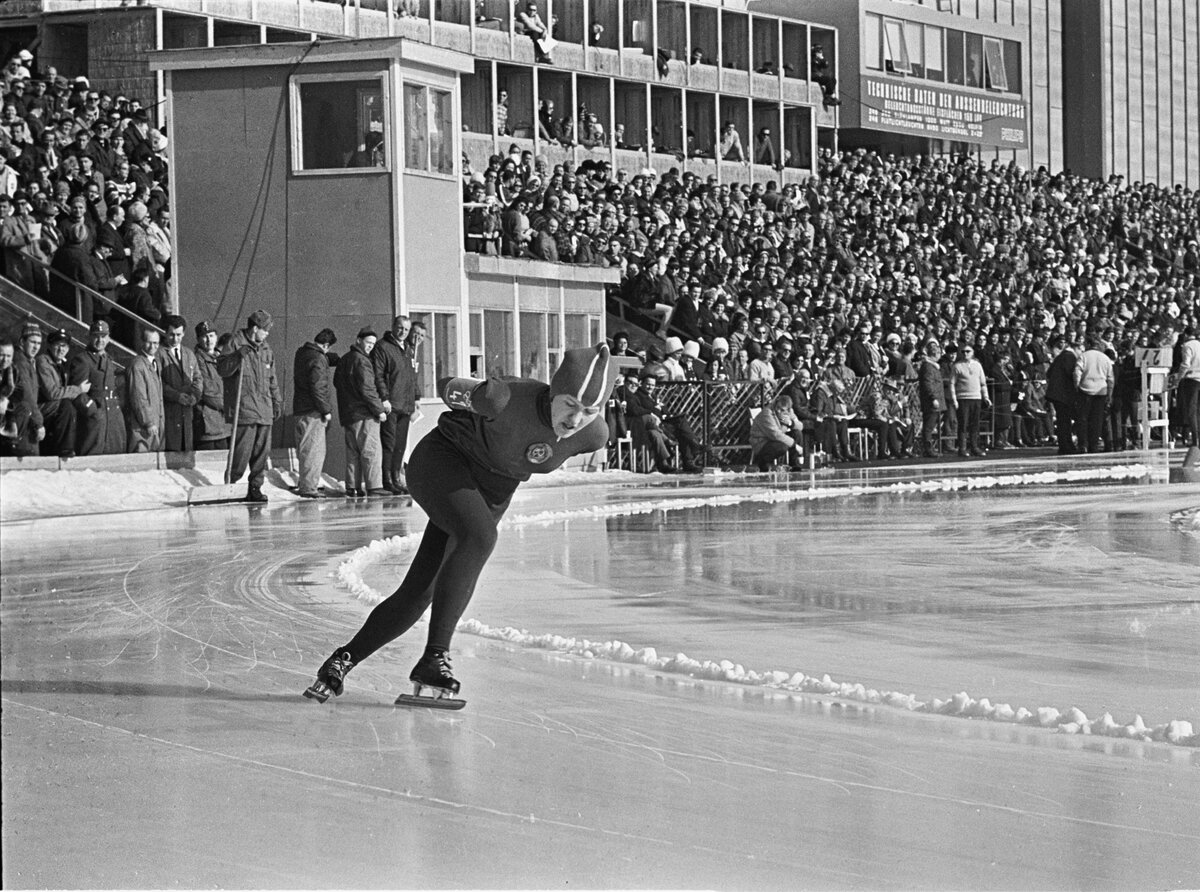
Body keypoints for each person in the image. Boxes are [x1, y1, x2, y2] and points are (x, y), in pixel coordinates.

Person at [303, 343, 616, 706]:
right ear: (554, 392)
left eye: (589, 410)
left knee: (422, 591)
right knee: (480, 537)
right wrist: (476, 394)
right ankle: (435, 657)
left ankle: (341, 662)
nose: (576, 419)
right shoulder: (506, 398)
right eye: (570, 405)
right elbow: (445, 385)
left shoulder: (593, 435)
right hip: (443, 463)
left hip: (487, 494)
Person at [216, 309, 282, 503]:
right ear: (255, 328)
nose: (267, 334)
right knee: (241, 451)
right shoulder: (235, 343)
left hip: (264, 408)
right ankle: (232, 484)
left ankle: (255, 486)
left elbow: (272, 379)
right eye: (265, 330)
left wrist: (276, 400)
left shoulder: (266, 349)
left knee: (262, 452)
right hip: (244, 408)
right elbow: (222, 369)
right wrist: (237, 356)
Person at [333, 327, 389, 498]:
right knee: (371, 451)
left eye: (373, 343)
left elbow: (337, 383)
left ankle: (352, 487)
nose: (370, 346)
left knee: (353, 453)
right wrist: (379, 410)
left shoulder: (344, 360)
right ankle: (374, 487)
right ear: (358, 340)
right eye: (368, 342)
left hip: (348, 414)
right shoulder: (362, 361)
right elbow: (368, 389)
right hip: (364, 414)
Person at [373, 315, 420, 495]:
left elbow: (411, 376)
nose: (403, 332)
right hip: (392, 404)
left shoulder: (407, 348)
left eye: (406, 330)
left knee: (400, 445)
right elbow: (379, 375)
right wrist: (384, 398)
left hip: (406, 405)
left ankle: (396, 478)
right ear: (393, 327)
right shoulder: (383, 347)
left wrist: (416, 397)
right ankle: (387, 480)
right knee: (389, 444)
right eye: (400, 328)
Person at [69, 319, 125, 455]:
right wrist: (93, 411)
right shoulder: (82, 360)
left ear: (109, 338)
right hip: (95, 419)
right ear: (89, 337)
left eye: (103, 336)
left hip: (113, 418)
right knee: (92, 457)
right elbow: (77, 392)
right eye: (96, 336)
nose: (100, 340)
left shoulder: (109, 360)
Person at [292, 328, 337, 498]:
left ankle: (305, 483)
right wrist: (326, 410)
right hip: (313, 411)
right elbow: (318, 387)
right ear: (326, 345)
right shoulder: (318, 359)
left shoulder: (302, 353)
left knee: (305, 449)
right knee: (314, 450)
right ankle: (309, 487)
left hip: (300, 408)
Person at [36, 328, 88, 458]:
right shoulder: (43, 361)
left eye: (64, 346)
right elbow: (52, 393)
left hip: (52, 410)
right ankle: (65, 449)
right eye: (57, 345)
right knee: (66, 404)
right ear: (49, 345)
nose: (61, 350)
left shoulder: (61, 364)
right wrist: (78, 389)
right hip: (42, 409)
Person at [157, 315, 202, 452]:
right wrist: (176, 396)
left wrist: (195, 395)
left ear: (183, 334)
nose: (175, 339)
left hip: (187, 411)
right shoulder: (159, 354)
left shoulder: (189, 354)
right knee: (172, 448)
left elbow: (197, 378)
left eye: (178, 335)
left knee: (187, 448)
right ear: (165, 333)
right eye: (171, 335)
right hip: (170, 411)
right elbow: (158, 382)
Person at [1073, 332, 1114, 454]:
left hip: (1085, 391)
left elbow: (1076, 373)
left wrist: (1077, 386)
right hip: (1101, 392)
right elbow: (1111, 379)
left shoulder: (1083, 356)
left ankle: (1083, 445)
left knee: (1083, 419)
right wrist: (1109, 394)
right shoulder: (1105, 358)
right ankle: (1094, 445)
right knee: (1097, 420)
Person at [125, 327, 164, 453]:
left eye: (156, 343)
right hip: (142, 428)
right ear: (142, 342)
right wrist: (148, 422)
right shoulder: (137, 365)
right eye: (149, 342)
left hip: (155, 425)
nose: (152, 346)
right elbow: (138, 396)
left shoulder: (155, 363)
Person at [192, 321, 230, 450]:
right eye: (205, 336)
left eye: (212, 335)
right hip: (207, 423)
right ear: (198, 339)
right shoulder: (197, 359)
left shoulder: (219, 358)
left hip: (223, 424)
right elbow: (207, 392)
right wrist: (229, 406)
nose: (209, 340)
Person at [950, 342, 990, 457]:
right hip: (963, 398)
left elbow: (983, 383)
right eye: (963, 352)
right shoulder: (957, 366)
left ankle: (974, 446)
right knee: (963, 424)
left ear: (972, 353)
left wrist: (986, 397)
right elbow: (952, 383)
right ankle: (962, 448)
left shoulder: (978, 365)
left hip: (976, 398)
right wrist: (954, 399)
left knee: (975, 424)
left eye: (968, 351)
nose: (965, 354)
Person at [749, 392, 804, 471]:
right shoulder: (767, 413)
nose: (778, 411)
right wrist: (794, 445)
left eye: (782, 410)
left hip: (775, 438)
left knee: (797, 433)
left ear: (788, 409)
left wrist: (790, 423)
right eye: (777, 407)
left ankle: (794, 464)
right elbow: (775, 434)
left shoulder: (789, 412)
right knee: (782, 446)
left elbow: (800, 426)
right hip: (762, 442)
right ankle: (762, 462)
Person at [1045, 335, 1079, 455]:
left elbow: (1048, 373)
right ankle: (1066, 445)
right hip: (1063, 394)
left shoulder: (1060, 357)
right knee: (1064, 421)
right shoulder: (1069, 357)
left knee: (1062, 420)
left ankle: (1065, 444)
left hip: (1057, 394)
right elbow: (1072, 375)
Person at [1171, 326, 1200, 467]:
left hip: (1191, 380)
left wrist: (1178, 378)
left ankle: (1195, 439)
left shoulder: (1187, 346)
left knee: (1191, 411)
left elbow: (1185, 364)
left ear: (1187, 335)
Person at [917, 340, 944, 457]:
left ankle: (930, 448)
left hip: (935, 400)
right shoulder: (928, 367)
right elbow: (928, 384)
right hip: (931, 402)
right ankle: (928, 449)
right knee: (928, 426)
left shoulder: (932, 366)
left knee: (931, 426)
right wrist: (933, 398)